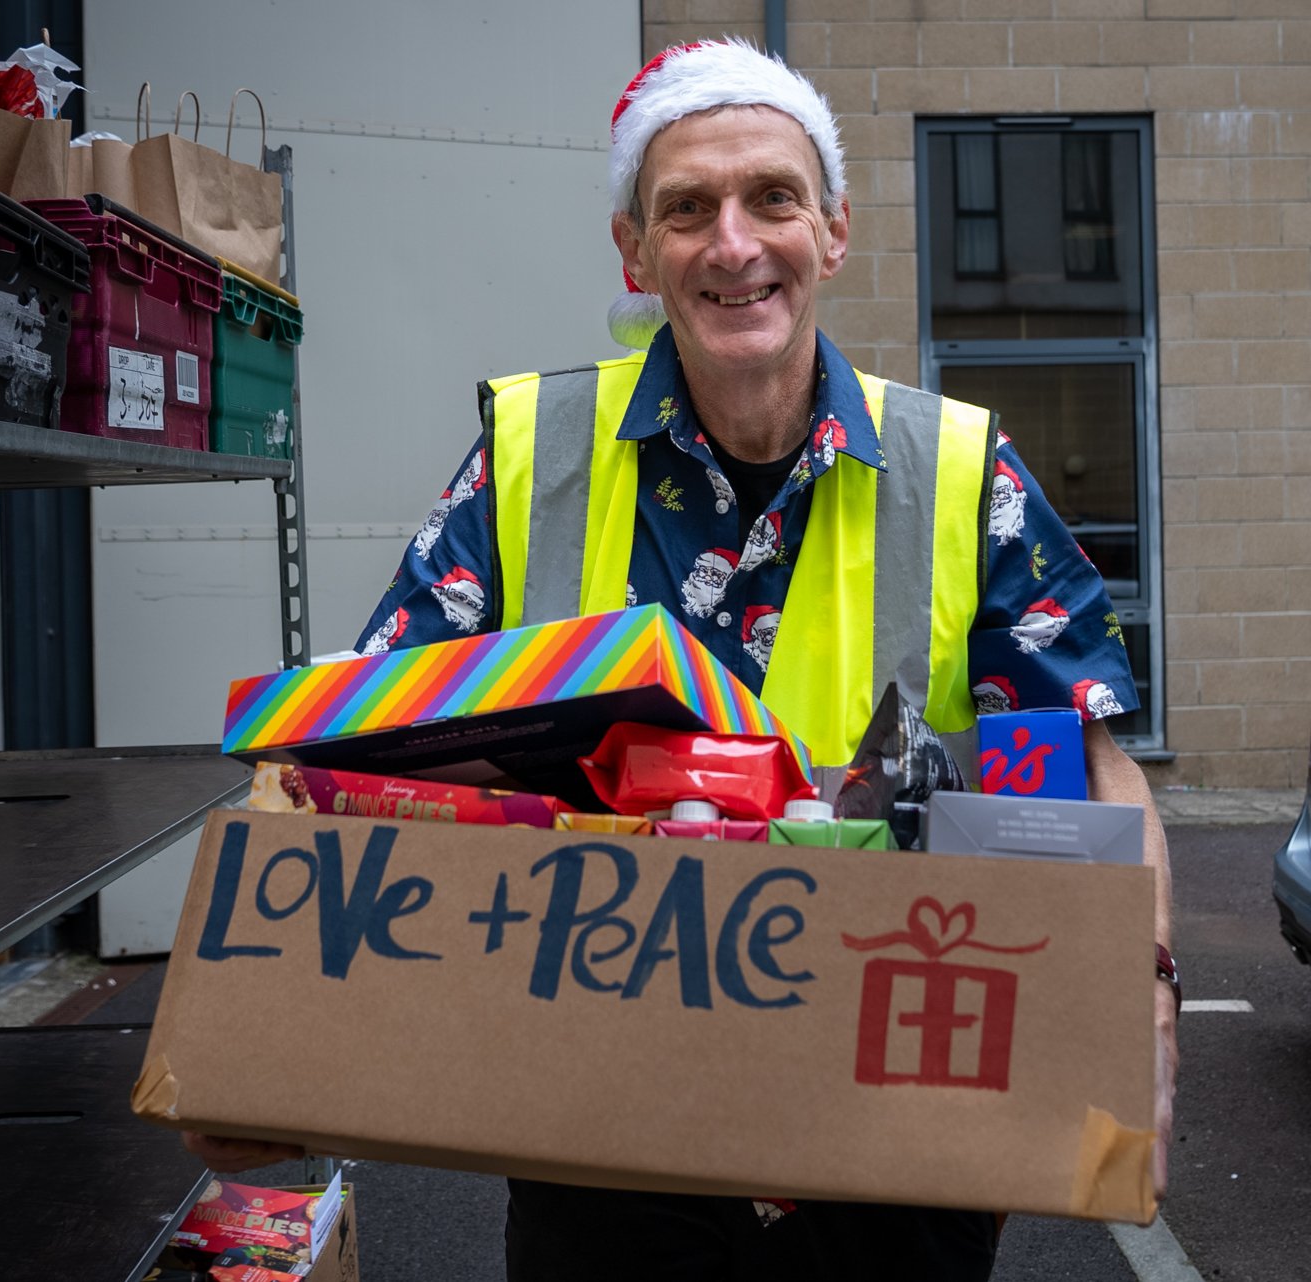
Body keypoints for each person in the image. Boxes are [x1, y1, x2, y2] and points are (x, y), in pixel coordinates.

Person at [187, 37, 1177, 1281]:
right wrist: (263, 1028)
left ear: (833, 232)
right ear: (635, 252)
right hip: (602, 1148)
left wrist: (1143, 992)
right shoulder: (532, 455)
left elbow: (1089, 771)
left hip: (895, 1147)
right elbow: (348, 759)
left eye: (772, 197)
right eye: (686, 209)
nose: (733, 242)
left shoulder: (962, 473)